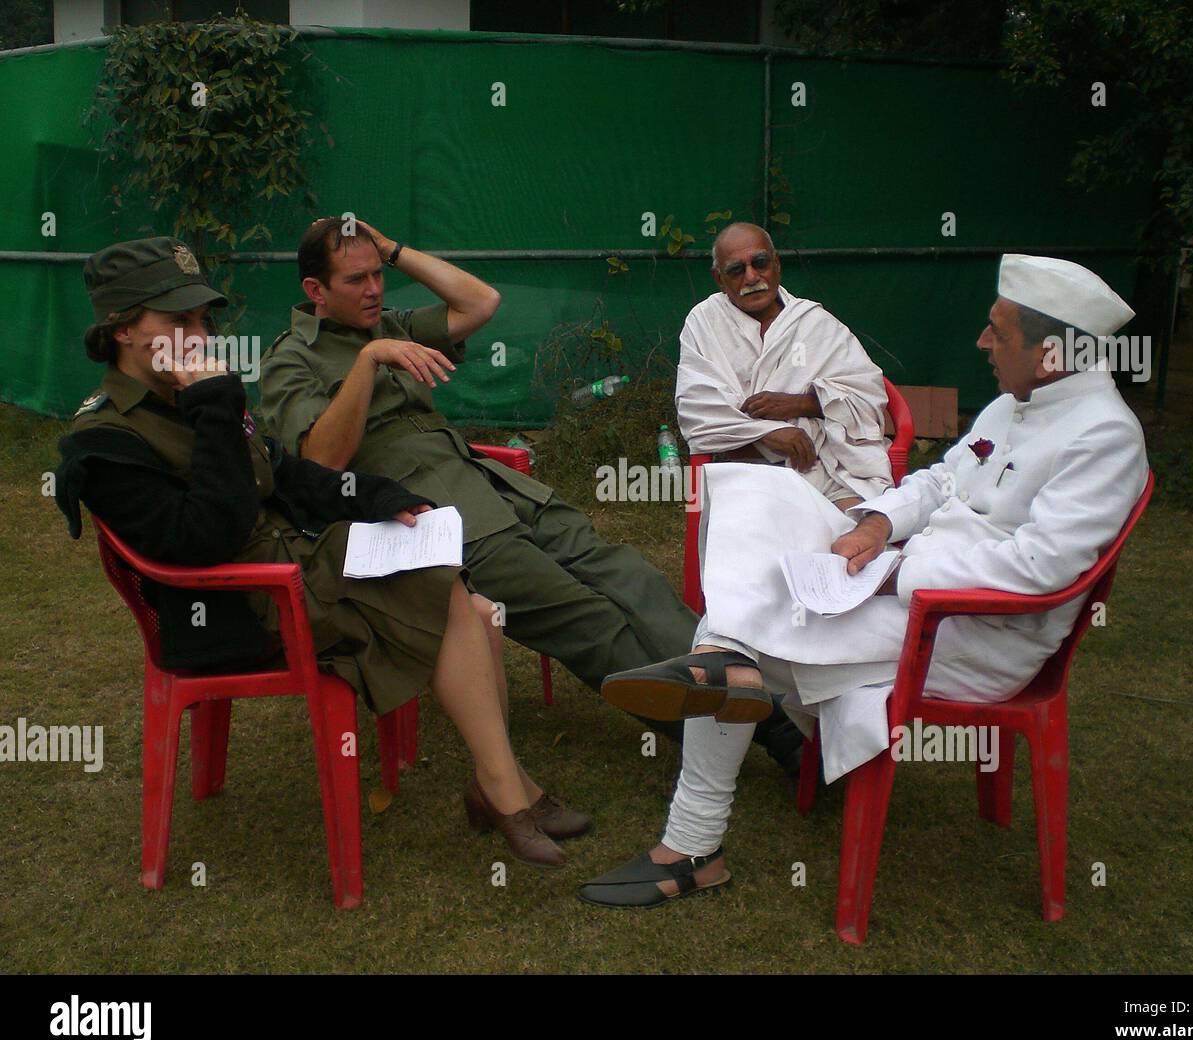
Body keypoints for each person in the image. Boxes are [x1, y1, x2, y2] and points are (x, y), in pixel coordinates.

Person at [582, 254, 1150, 906]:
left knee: (735, 628)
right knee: (750, 487)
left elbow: (1041, 568)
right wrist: (878, 523)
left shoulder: (1105, 436)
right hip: (916, 595)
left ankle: (693, 837)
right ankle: (723, 683)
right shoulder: (1014, 404)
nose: (983, 342)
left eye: (998, 331)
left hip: (975, 633)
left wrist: (898, 573)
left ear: (1049, 355)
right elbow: (941, 481)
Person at [54, 236, 589, 869]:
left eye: (201, 319)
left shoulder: (189, 393)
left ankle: (503, 786)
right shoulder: (106, 438)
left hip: (298, 567)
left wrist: (380, 496)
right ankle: (507, 794)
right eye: (176, 320)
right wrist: (216, 409)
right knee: (446, 590)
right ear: (121, 330)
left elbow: (286, 474)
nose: (198, 334)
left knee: (474, 609)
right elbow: (207, 539)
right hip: (237, 608)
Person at [256, 216, 807, 773]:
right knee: (587, 619)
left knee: (626, 573)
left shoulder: (387, 322)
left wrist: (394, 250)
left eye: (378, 275)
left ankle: (740, 684)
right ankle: (758, 734)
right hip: (430, 518)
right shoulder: (290, 360)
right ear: (315, 291)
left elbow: (480, 303)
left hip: (494, 485)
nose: (374, 289)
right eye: (356, 280)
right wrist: (369, 362)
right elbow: (322, 459)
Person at [676, 222, 893, 510]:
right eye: (736, 270)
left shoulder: (814, 323)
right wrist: (768, 433)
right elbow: (697, 408)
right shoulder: (704, 322)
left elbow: (867, 398)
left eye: (760, 263)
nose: (751, 277)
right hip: (742, 469)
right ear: (719, 279)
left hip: (824, 466)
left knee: (859, 528)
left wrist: (802, 404)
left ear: (776, 264)